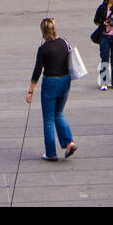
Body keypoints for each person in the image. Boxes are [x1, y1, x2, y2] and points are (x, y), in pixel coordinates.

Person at [26, 17, 77, 161]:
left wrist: (30, 91)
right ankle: (69, 142)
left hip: (51, 82)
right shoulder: (63, 42)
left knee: (48, 119)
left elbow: (37, 71)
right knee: (59, 113)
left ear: (43, 31)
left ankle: (50, 153)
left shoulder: (43, 49)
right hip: (65, 81)